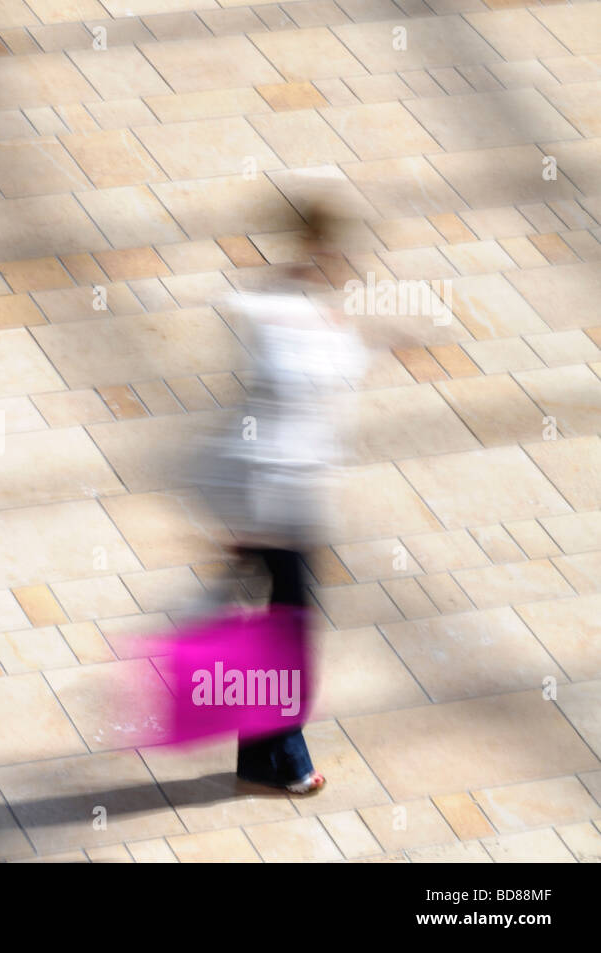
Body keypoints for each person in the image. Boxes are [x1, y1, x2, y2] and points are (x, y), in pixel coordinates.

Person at [202, 205, 367, 795]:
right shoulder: (280, 317)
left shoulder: (309, 314)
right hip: (272, 498)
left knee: (278, 624)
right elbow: (275, 403)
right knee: (287, 630)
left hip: (287, 499)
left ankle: (258, 755)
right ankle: (289, 758)